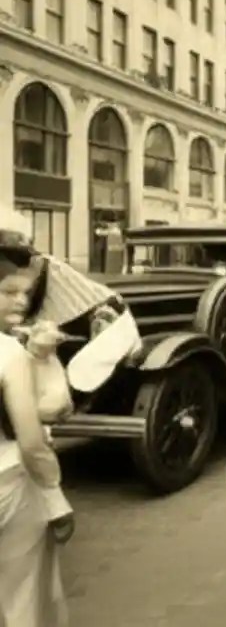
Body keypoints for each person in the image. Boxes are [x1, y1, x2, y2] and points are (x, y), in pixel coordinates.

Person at [0, 247, 73, 627]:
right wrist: (54, 496)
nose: (22, 301)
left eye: (25, 293)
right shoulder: (9, 353)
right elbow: (30, 440)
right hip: (10, 482)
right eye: (8, 292)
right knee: (23, 594)